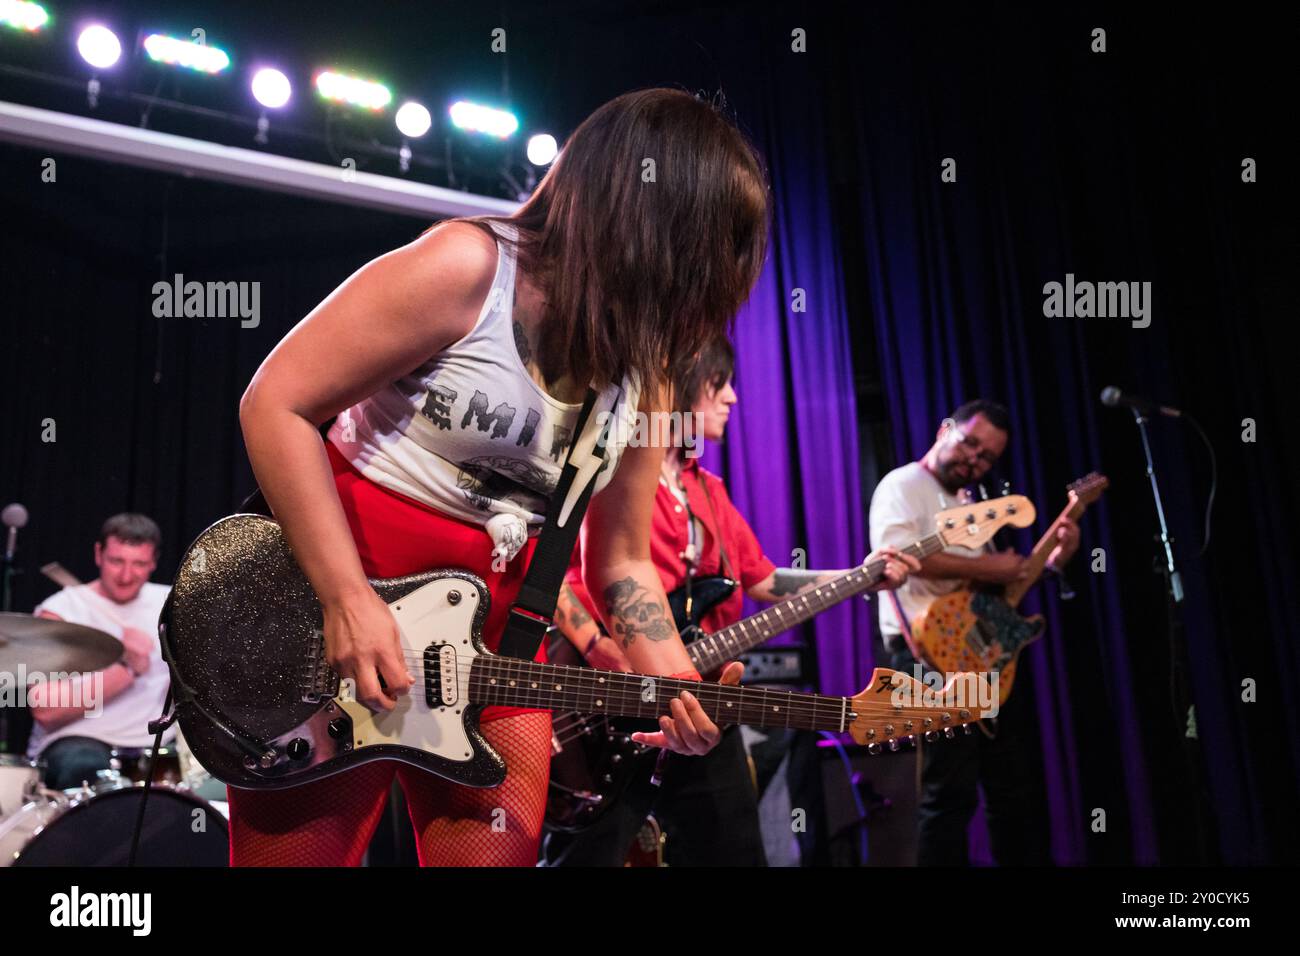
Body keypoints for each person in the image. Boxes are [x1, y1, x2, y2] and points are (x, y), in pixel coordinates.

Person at [232, 87, 773, 866]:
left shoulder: (648, 373)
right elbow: (276, 403)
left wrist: (677, 683)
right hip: (325, 633)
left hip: (497, 654)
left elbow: (619, 561)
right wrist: (346, 601)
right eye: (710, 249)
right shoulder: (467, 267)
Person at [543, 340, 919, 865]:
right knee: (588, 855)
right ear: (681, 387)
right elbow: (549, 570)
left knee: (732, 850)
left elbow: (764, 580)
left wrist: (860, 577)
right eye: (721, 385)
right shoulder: (613, 469)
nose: (734, 399)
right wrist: (601, 646)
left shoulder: (708, 489)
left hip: (701, 697)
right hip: (605, 702)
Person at [869, 399, 1079, 865]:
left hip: (979, 655)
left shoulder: (969, 503)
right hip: (925, 656)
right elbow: (896, 555)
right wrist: (990, 563)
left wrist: (1051, 561)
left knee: (1012, 789)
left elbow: (992, 592)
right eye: (970, 443)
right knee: (950, 795)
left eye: (987, 457)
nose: (974, 459)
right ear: (946, 430)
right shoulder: (904, 484)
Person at [28, 513, 174, 790]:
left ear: (154, 561)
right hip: (78, 741)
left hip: (156, 744)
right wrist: (127, 668)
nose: (126, 575)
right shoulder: (61, 610)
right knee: (81, 767)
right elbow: (45, 710)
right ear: (98, 554)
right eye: (117, 561)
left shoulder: (171, 603)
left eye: (139, 564)